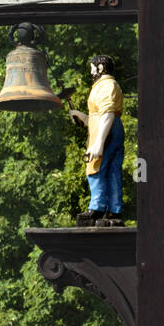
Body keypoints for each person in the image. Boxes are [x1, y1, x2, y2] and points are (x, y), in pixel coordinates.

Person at [69, 55, 125, 226]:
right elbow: (99, 116)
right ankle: (114, 211)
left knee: (95, 167)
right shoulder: (105, 85)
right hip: (110, 129)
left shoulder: (106, 85)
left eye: (93, 67)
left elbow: (107, 114)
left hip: (107, 132)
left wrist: (99, 143)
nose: (91, 71)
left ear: (100, 68)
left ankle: (97, 207)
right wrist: (82, 117)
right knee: (112, 171)